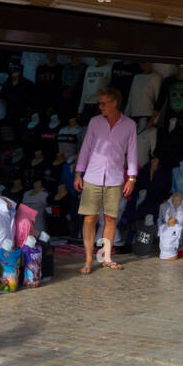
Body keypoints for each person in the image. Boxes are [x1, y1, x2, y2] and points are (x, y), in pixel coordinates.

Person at [73, 87, 138, 274]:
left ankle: (106, 257)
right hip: (92, 176)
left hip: (115, 177)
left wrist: (131, 178)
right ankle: (88, 259)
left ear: (114, 103)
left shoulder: (129, 125)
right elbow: (85, 148)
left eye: (103, 103)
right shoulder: (95, 122)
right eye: (99, 103)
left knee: (110, 218)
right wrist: (79, 173)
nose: (100, 107)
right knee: (90, 218)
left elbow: (132, 153)